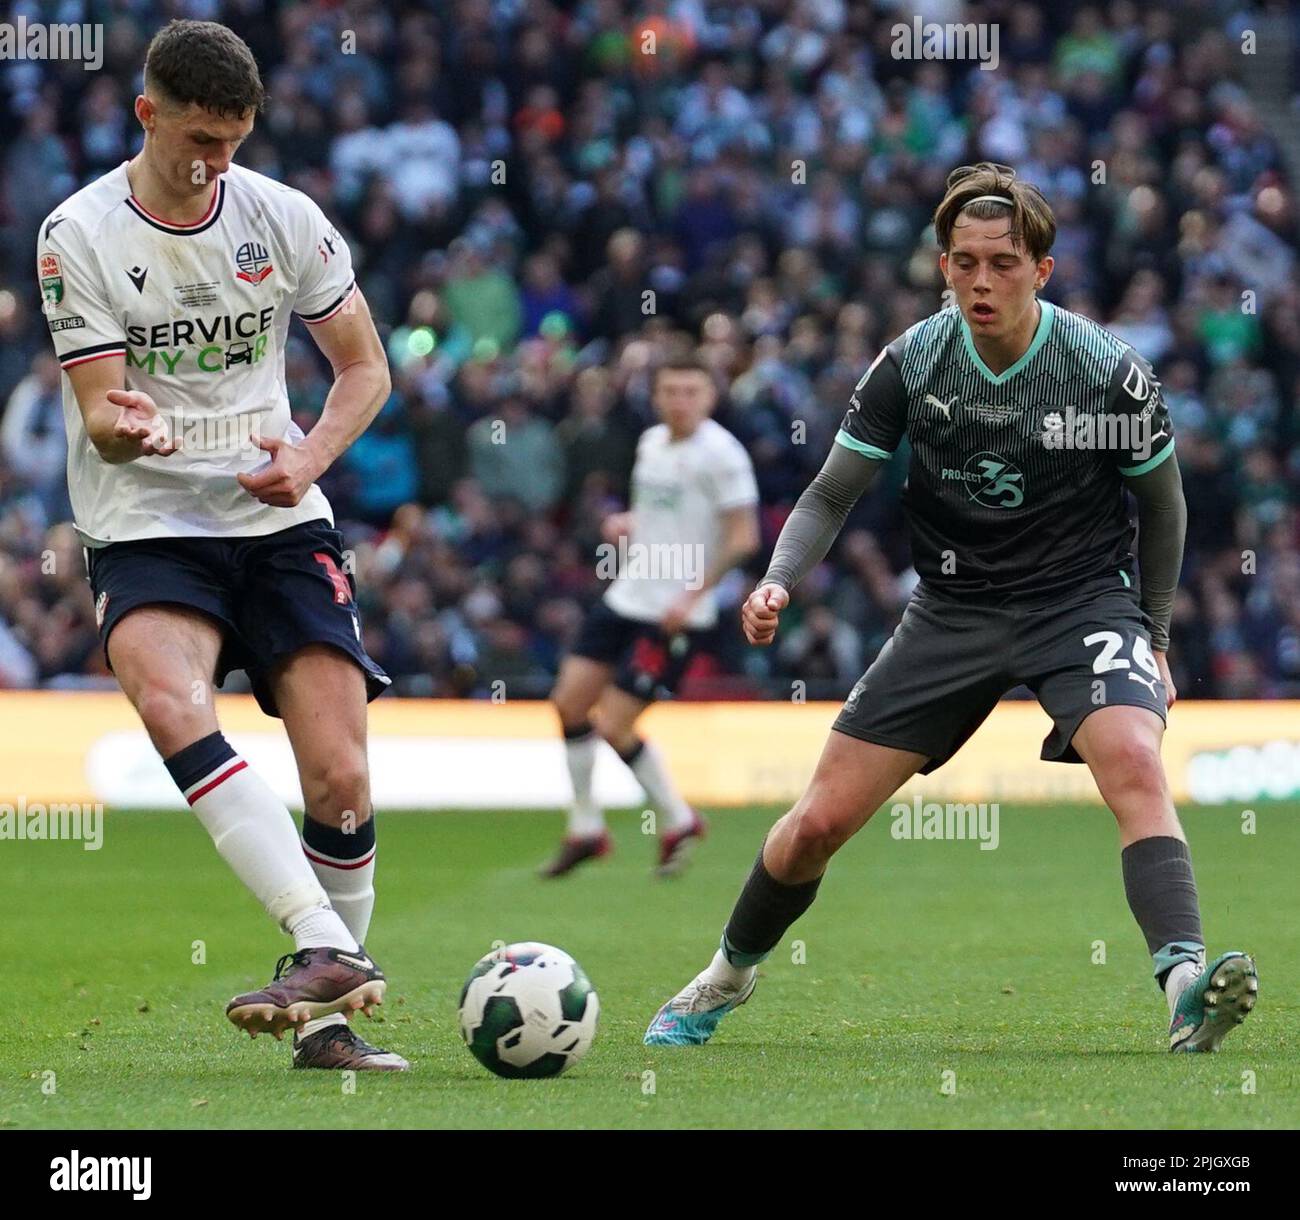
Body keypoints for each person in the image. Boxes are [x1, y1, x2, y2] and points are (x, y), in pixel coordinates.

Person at [645, 163, 1257, 1053]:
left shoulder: (1103, 373)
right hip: (953, 610)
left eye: (1003, 263)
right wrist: (779, 577)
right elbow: (827, 495)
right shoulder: (911, 364)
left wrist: (1155, 638)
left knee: (1134, 761)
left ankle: (1185, 987)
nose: (981, 280)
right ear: (942, 265)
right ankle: (726, 975)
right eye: (964, 262)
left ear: (1041, 270)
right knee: (815, 824)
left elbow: (1163, 506)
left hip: (1079, 602)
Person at [37, 20, 405, 1071]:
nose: (214, 164)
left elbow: (363, 368)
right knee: (168, 701)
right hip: (147, 518)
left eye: (233, 143)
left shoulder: (283, 218)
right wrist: (130, 424)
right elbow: (102, 407)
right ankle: (328, 945)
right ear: (146, 113)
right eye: (197, 138)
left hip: (278, 514)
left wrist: (311, 458)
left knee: (338, 777)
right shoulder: (80, 233)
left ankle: (326, 1022)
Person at [545, 356, 760, 877]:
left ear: (709, 397)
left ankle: (676, 818)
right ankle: (587, 826)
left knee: (616, 725)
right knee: (569, 702)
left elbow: (744, 537)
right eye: (670, 390)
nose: (680, 401)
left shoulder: (723, 455)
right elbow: (661, 515)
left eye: (691, 391)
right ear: (656, 395)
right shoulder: (650, 444)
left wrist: (692, 596)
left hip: (675, 614)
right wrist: (628, 523)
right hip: (629, 595)